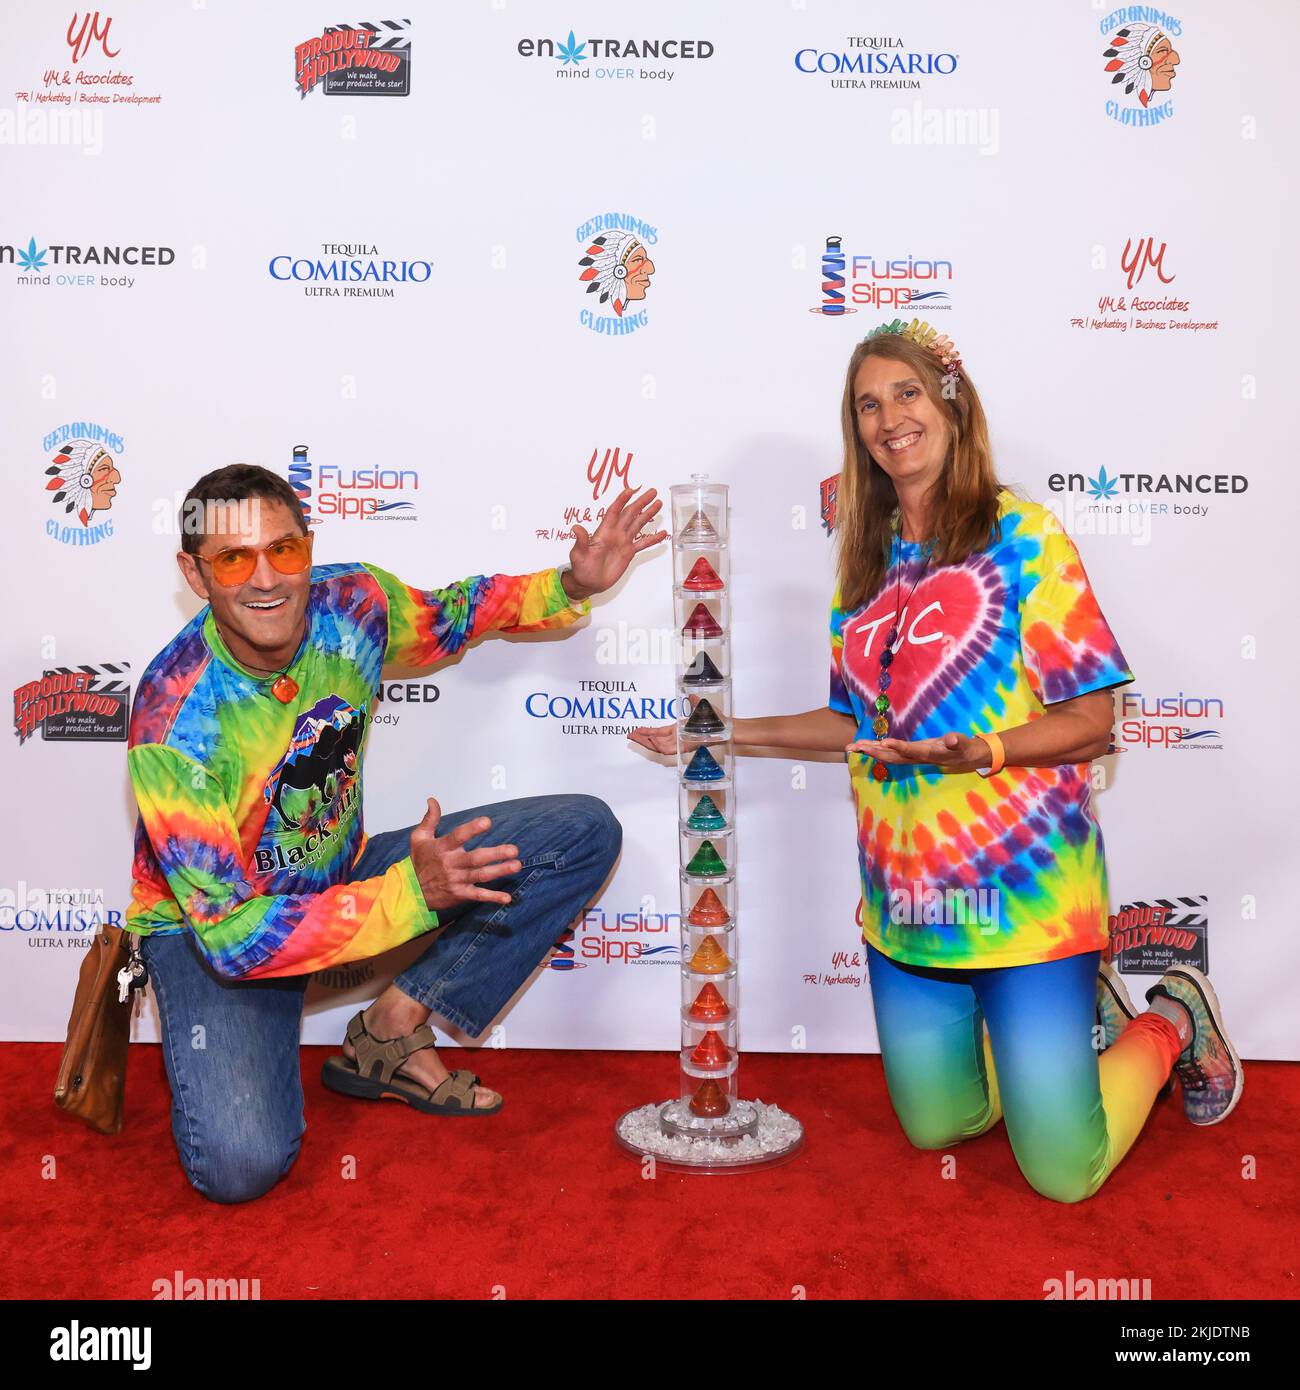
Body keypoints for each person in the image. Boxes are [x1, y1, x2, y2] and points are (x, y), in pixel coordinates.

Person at [630, 320, 1241, 1203]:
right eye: (868, 405)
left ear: (951, 405)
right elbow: (852, 725)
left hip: (1024, 900)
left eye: (907, 394)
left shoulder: (1023, 535)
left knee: (1064, 1173)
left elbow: (1094, 720)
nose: (889, 419)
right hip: (907, 902)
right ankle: (1064, 1037)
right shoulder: (865, 566)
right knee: (938, 1127)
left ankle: (1172, 1018)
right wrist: (716, 731)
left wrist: (984, 749)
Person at [127, 463, 667, 1204]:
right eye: (232, 559)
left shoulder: (354, 603)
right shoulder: (174, 718)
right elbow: (231, 936)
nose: (267, 579)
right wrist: (412, 897)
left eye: (284, 551)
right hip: (216, 933)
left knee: (578, 832)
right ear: (195, 573)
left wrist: (570, 587)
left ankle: (389, 1029)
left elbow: (455, 616)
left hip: (338, 876)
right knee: (241, 1166)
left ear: (309, 549)